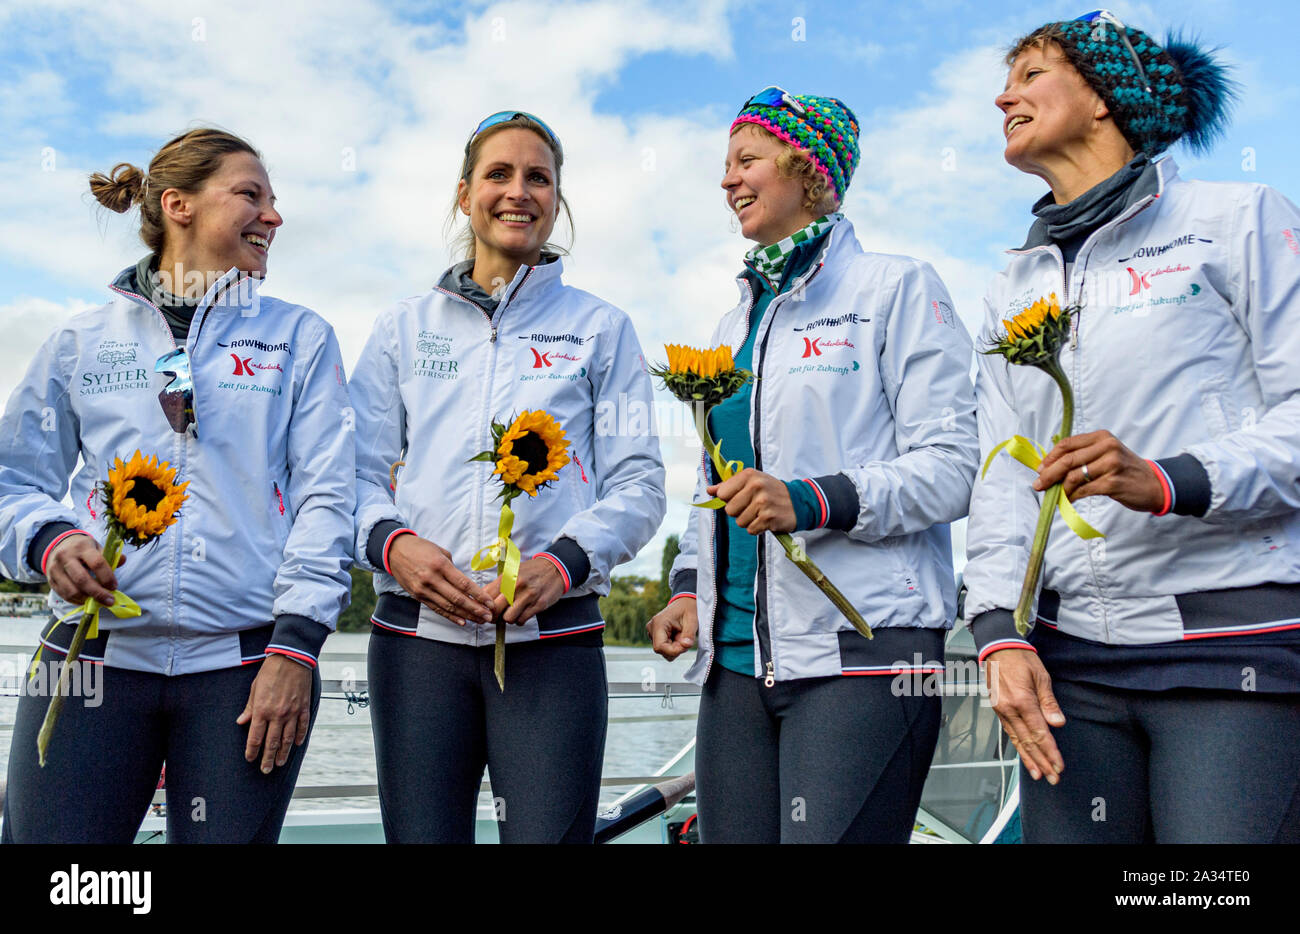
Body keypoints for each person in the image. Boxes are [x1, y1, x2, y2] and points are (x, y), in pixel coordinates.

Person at [965, 11, 1300, 843]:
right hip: (1068, 664)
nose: (1003, 95)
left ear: (1108, 97)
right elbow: (1002, 478)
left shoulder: (1240, 217)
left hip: (1232, 649)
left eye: (1032, 73)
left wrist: (1167, 478)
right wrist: (997, 634)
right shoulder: (1012, 286)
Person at [0, 127, 356, 843]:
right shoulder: (81, 340)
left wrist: (296, 649)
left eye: (274, 201)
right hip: (90, 659)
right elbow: (13, 480)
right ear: (178, 205)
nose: (274, 217)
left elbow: (328, 498)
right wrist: (49, 540)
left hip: (248, 669)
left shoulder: (301, 338)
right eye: (251, 196)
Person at [647, 88, 979, 843]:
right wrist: (690, 590)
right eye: (725, 164)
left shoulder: (897, 288)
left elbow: (956, 467)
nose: (727, 180)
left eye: (747, 160)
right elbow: (718, 483)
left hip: (864, 656)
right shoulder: (734, 322)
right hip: (733, 667)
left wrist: (811, 499)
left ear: (807, 171)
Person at [350, 111, 666, 844]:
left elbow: (640, 485)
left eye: (538, 177)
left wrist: (565, 563)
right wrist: (392, 544)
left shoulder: (602, 328)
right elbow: (348, 476)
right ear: (464, 195)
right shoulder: (403, 328)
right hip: (415, 645)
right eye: (498, 174)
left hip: (553, 648)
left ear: (556, 200)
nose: (517, 191)